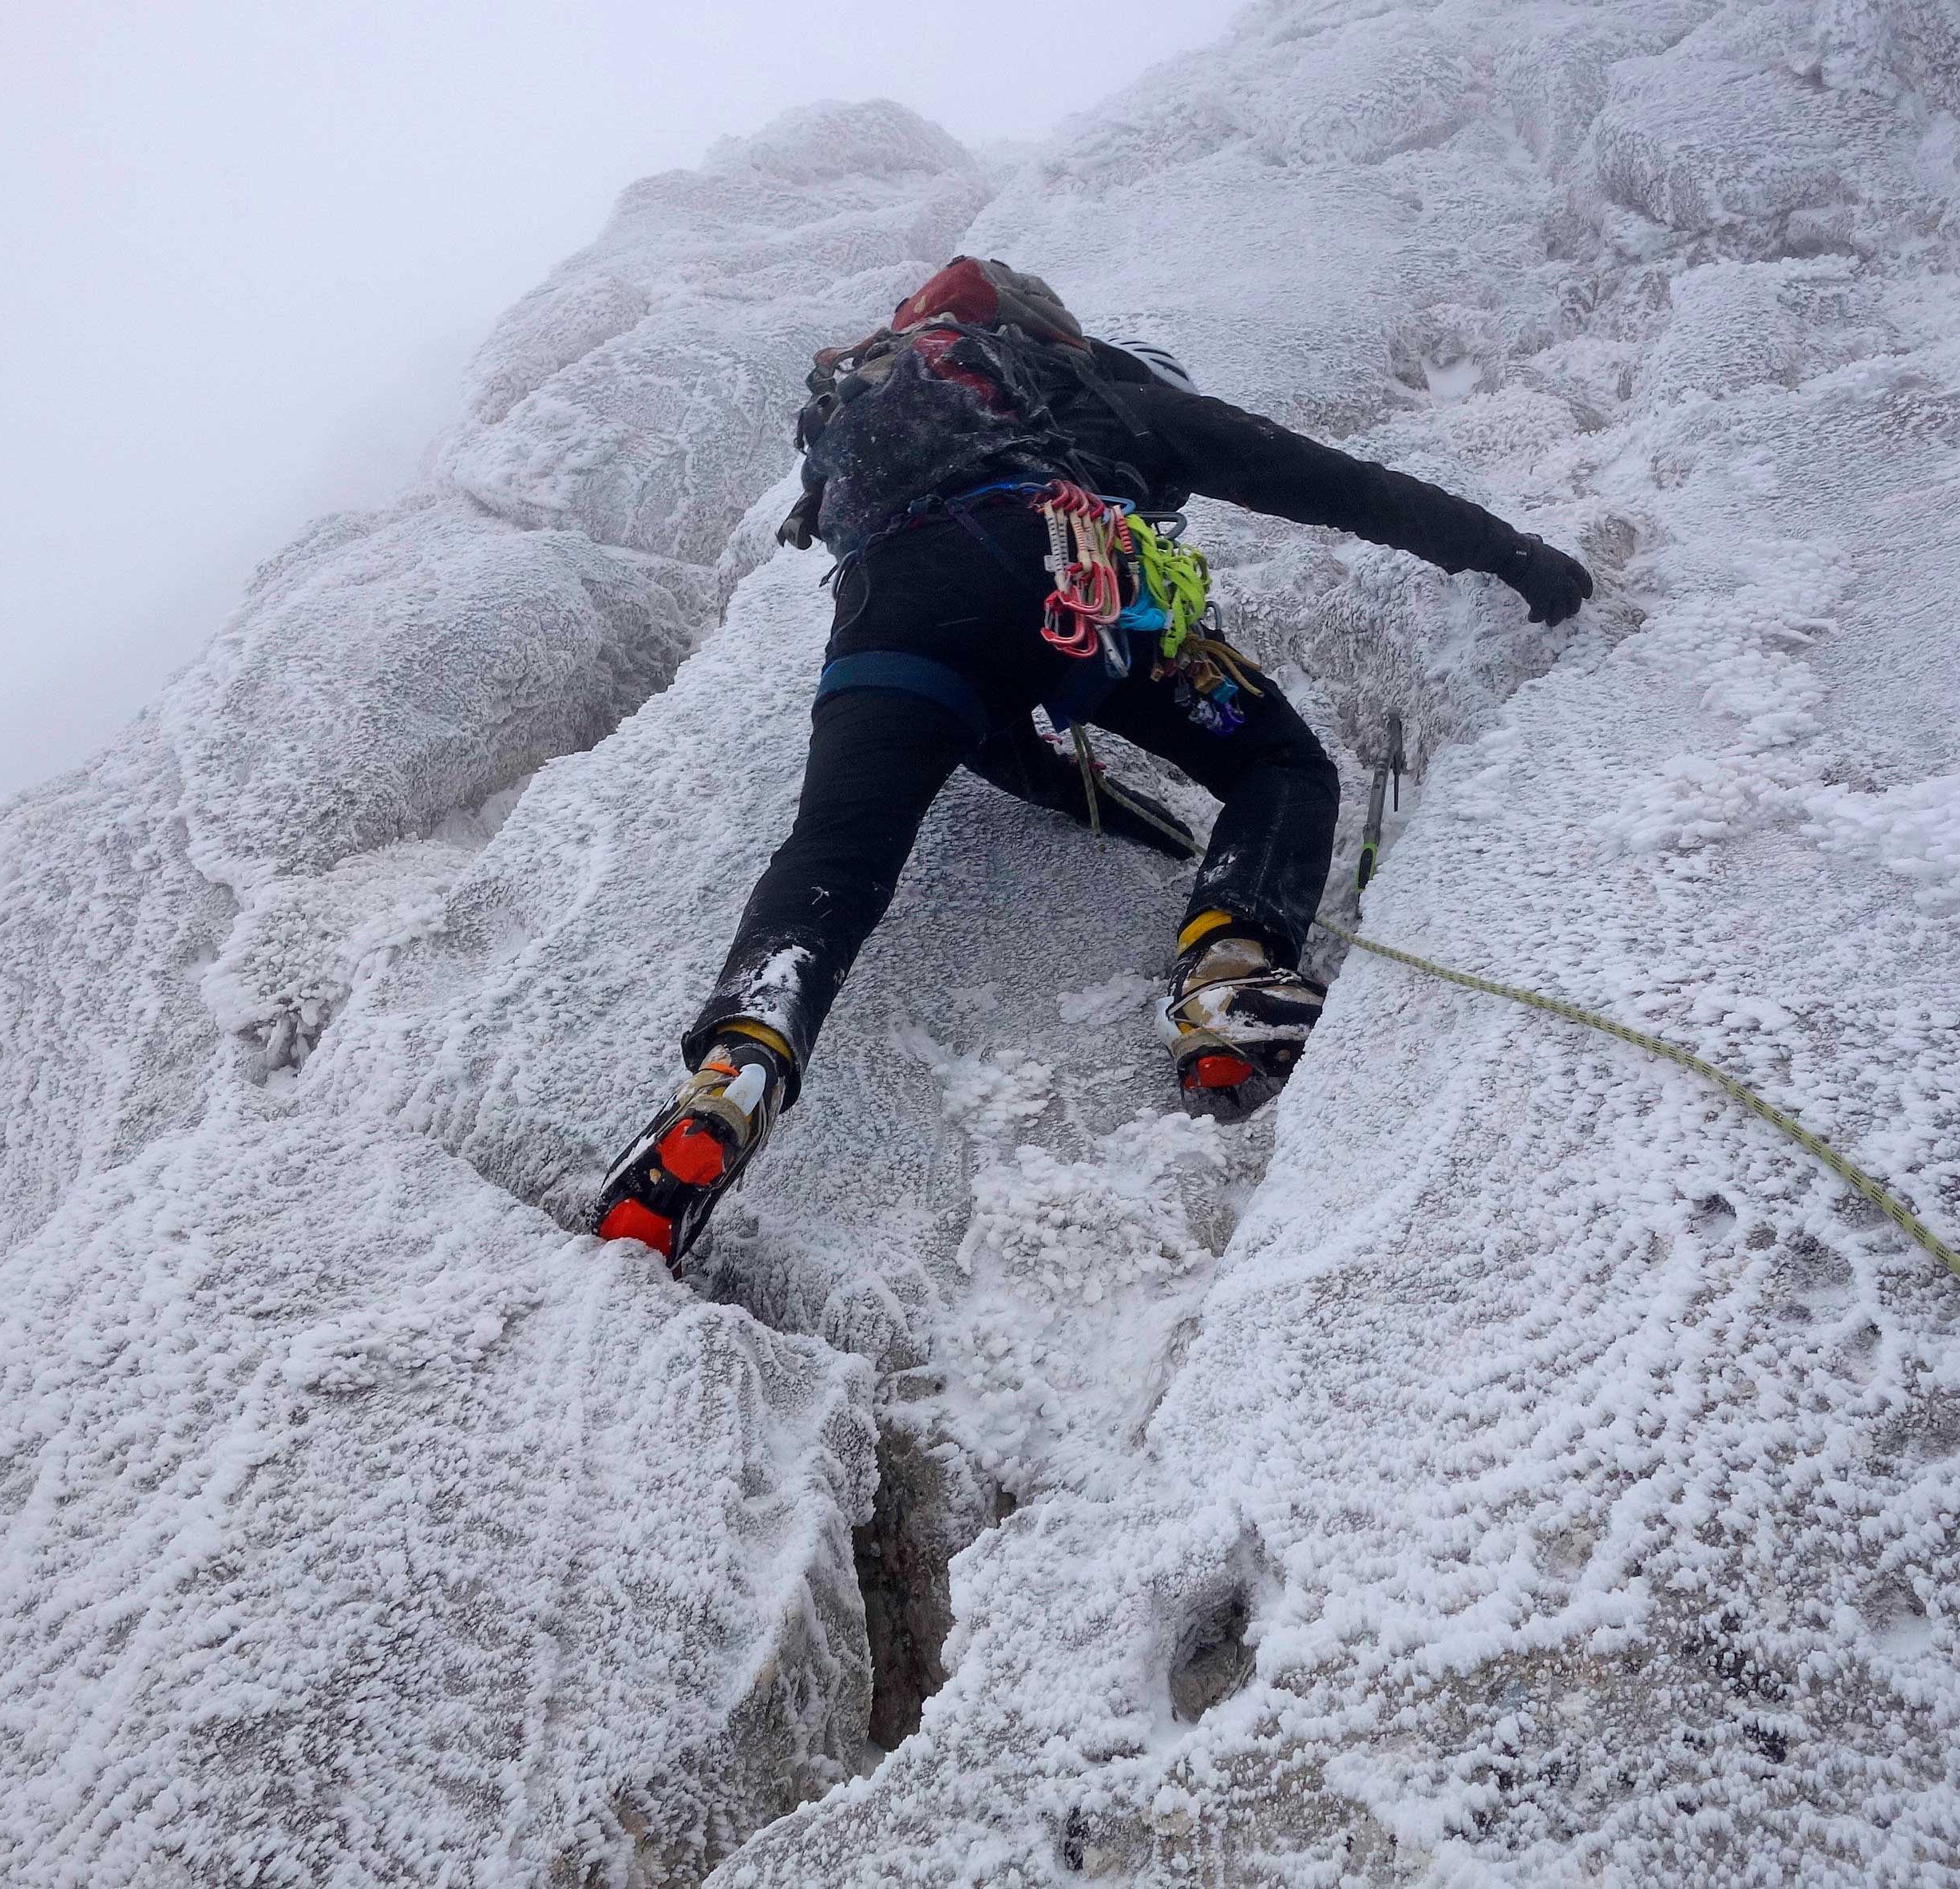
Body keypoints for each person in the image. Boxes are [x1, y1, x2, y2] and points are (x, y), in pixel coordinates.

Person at [592, 258, 1592, 1265]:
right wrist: (1515, 557)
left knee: (836, 854)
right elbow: (1340, 486)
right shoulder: (1111, 391)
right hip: (1065, 570)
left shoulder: (892, 410)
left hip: (887, 614)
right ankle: (1229, 974)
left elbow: (983, 719)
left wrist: (1087, 797)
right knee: (1282, 764)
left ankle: (737, 1062)